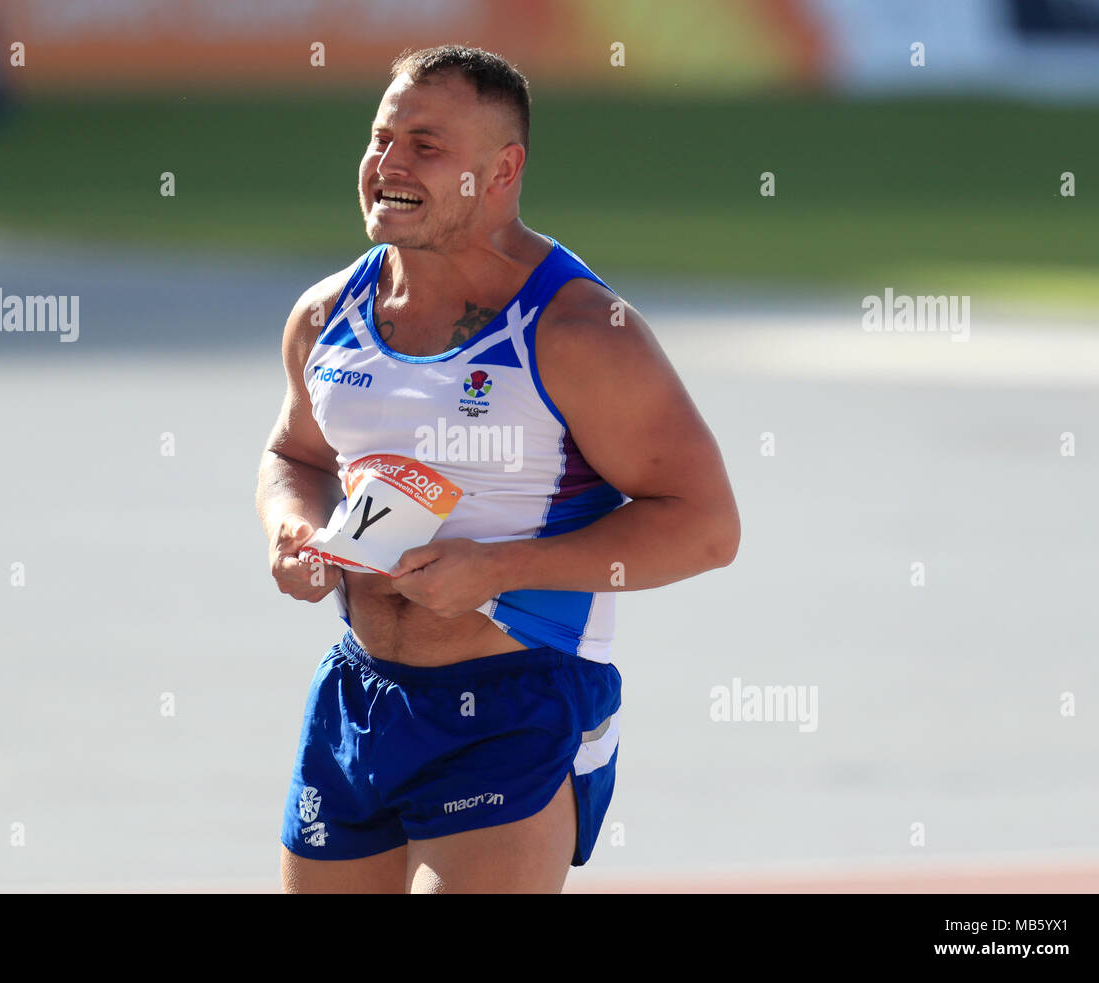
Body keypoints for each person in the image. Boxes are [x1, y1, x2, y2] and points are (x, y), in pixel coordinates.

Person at [256, 44, 740, 894]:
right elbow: (294, 454)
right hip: (360, 693)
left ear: (503, 169)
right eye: (380, 139)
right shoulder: (326, 315)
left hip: (514, 700)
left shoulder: (581, 331)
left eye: (426, 147)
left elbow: (705, 528)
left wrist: (499, 567)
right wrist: (290, 529)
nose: (388, 164)